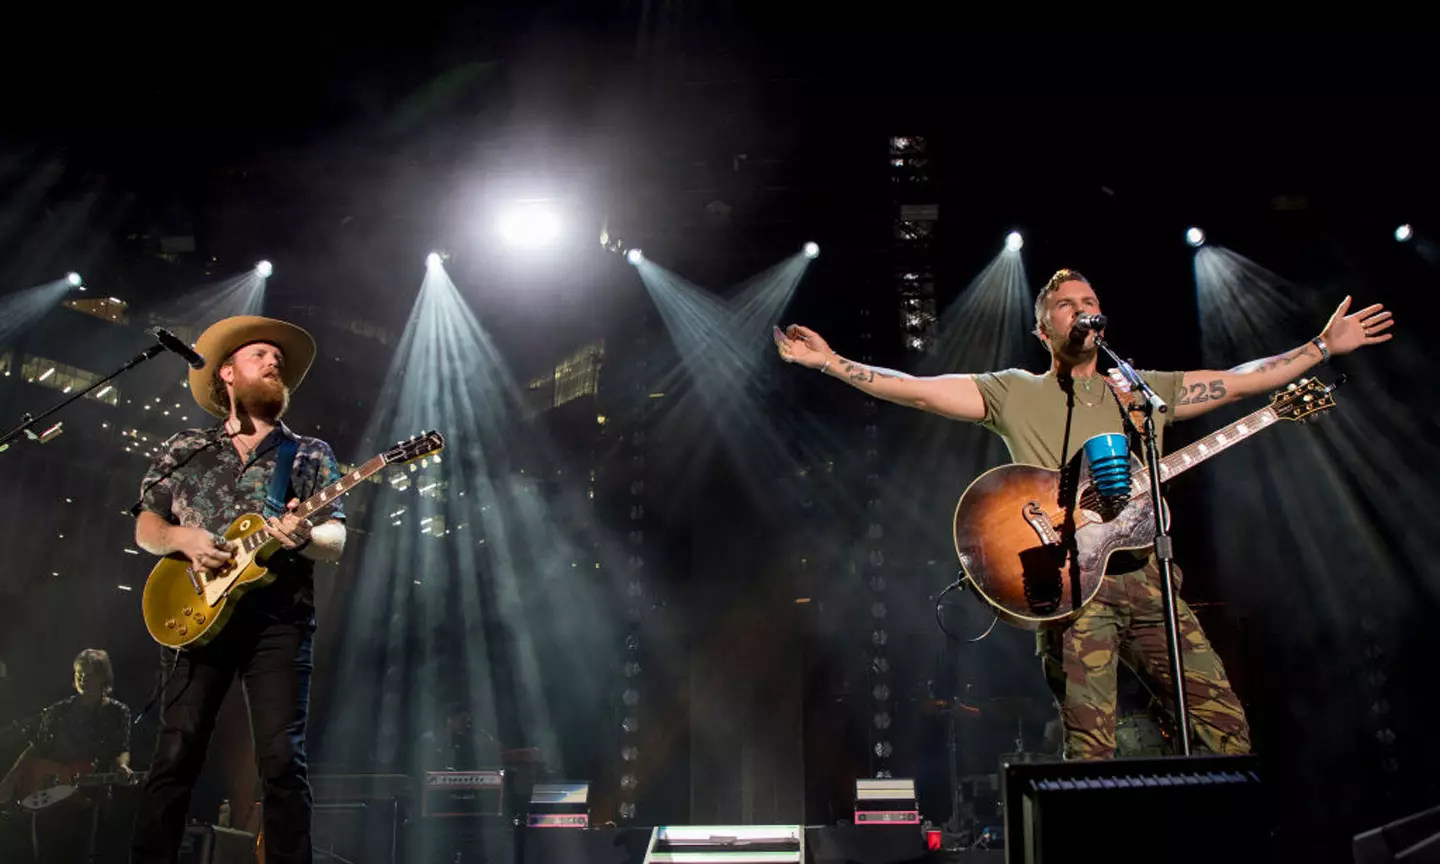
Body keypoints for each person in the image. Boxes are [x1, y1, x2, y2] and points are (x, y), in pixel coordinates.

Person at [774, 269, 1393, 759]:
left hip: (1149, 580)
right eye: (1066, 303)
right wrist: (830, 362)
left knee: (1222, 725)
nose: (1081, 307)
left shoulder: (1140, 391)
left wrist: (1319, 347)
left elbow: (1235, 382)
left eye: (1088, 299)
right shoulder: (1016, 389)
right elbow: (913, 387)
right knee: (1089, 747)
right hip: (1071, 586)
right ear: (1043, 331)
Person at [129, 316, 348, 864]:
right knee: (175, 754)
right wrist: (183, 537)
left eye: (280, 363)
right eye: (261, 357)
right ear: (226, 373)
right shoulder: (186, 446)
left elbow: (335, 537)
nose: (275, 364)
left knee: (281, 761)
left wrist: (303, 536)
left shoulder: (309, 453)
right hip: (194, 614)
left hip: (280, 619)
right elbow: (146, 527)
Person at [0, 648, 133, 864]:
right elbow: (36, 747)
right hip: (48, 797)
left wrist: (122, 766)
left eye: (89, 675)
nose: (82, 679)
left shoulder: (117, 712)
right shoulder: (59, 710)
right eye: (79, 674)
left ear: (103, 678)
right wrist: (9, 781)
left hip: (88, 799)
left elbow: (121, 748)